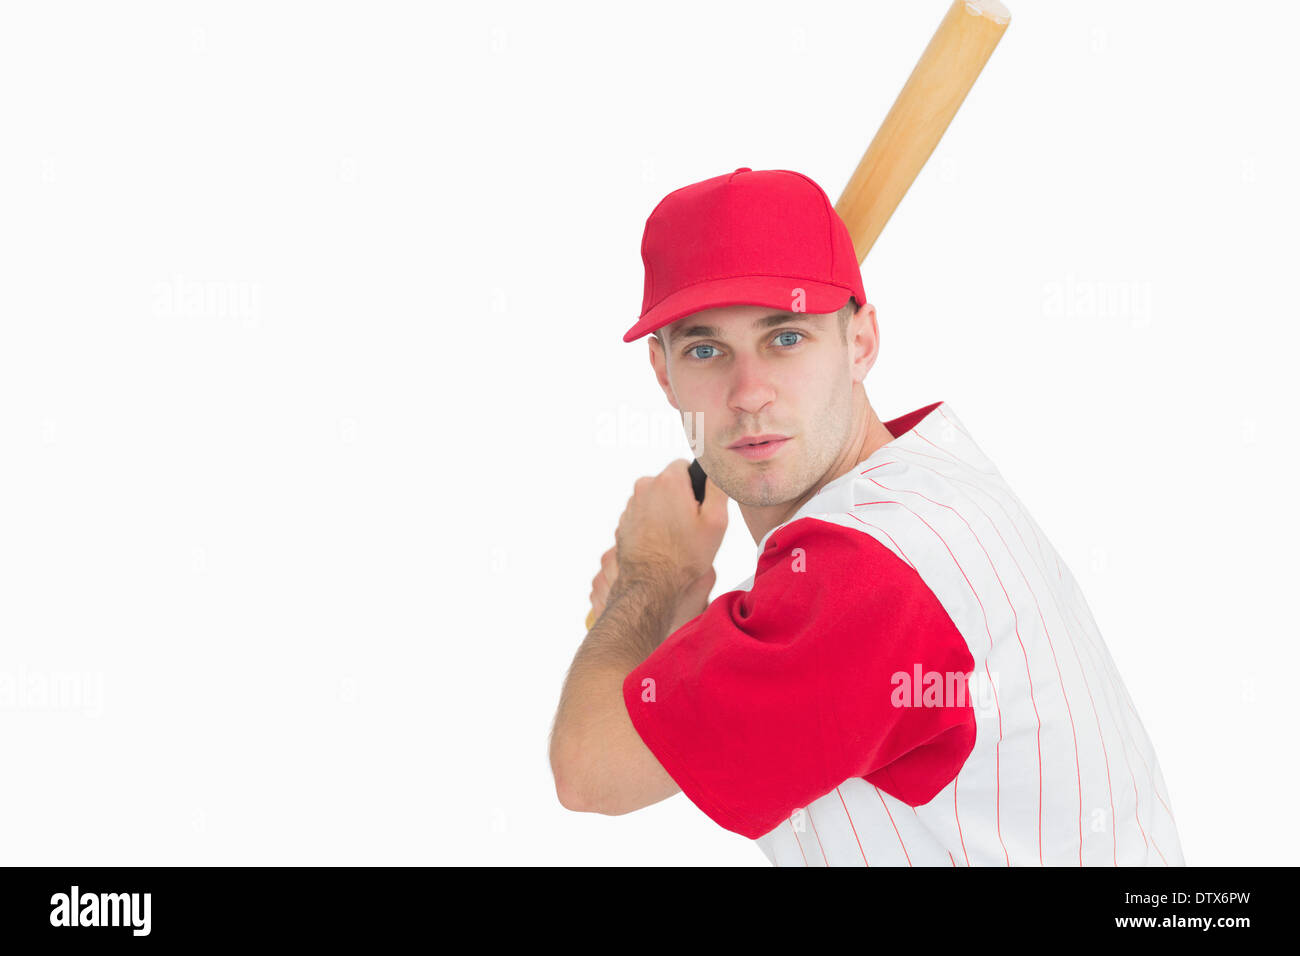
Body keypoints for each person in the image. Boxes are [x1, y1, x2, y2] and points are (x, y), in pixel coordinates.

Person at [549, 167, 1184, 866]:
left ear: (861, 343)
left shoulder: (874, 571)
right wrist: (663, 615)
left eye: (785, 338)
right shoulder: (925, 486)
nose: (749, 393)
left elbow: (588, 766)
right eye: (706, 350)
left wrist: (653, 571)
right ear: (664, 374)